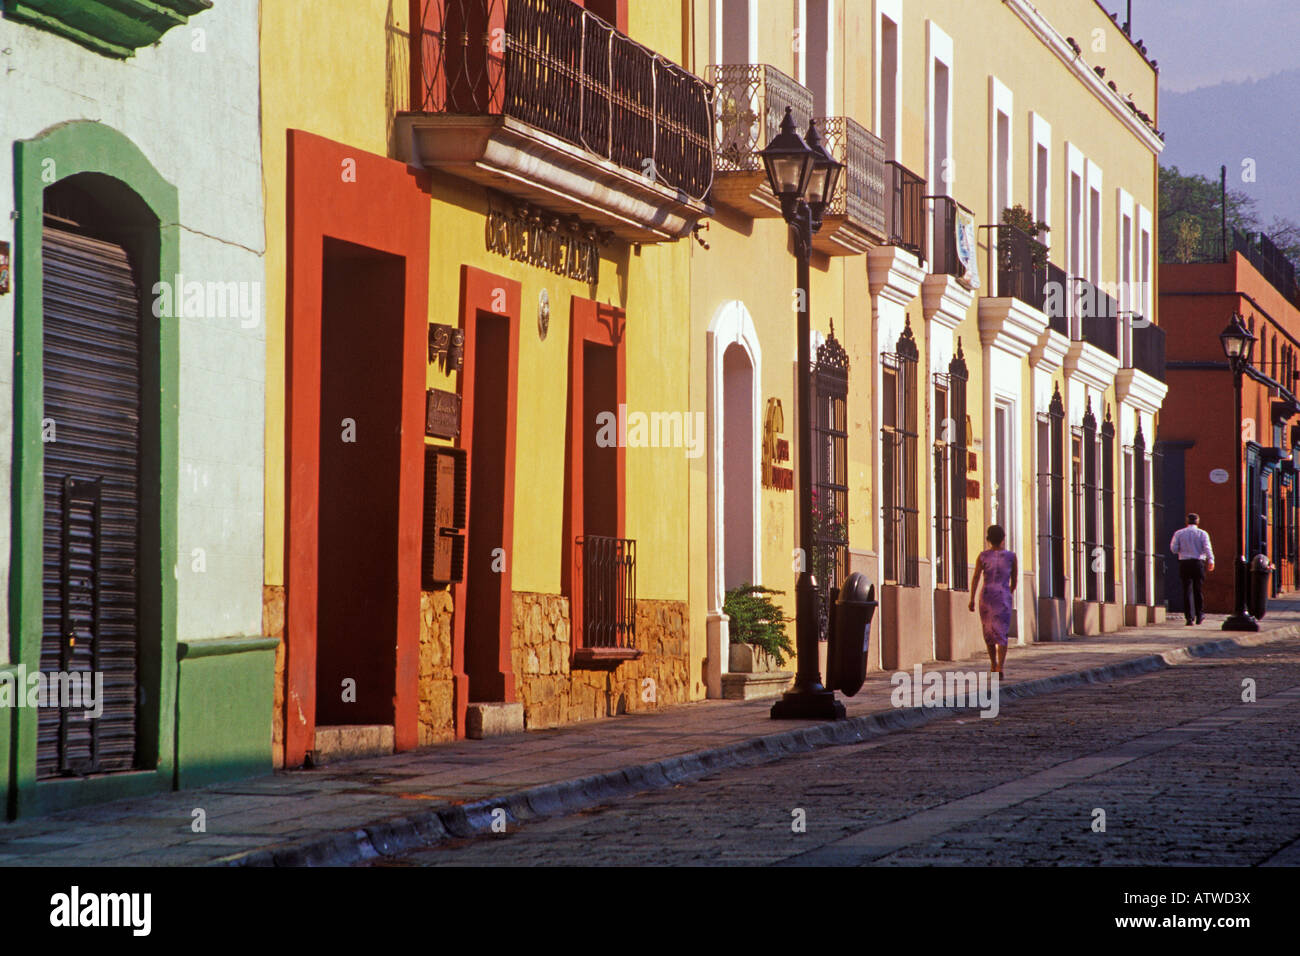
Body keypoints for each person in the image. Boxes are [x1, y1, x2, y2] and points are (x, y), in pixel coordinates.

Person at [968, 525, 1016, 677]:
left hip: (987, 596)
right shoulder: (1011, 556)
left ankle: (993, 663)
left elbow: (976, 577)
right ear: (1003, 538)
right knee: (1002, 631)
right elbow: (1014, 580)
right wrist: (1009, 592)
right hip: (1003, 595)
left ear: (988, 539)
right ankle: (1000, 666)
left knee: (988, 631)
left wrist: (972, 599)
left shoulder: (983, 556)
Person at [1170, 512, 1215, 625]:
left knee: (1187, 590)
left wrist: (1182, 548)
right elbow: (1207, 548)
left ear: (1187, 521)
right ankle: (1200, 615)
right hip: (1198, 562)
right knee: (1198, 589)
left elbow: (1174, 549)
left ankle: (1189, 618)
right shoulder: (1203, 534)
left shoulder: (1179, 533)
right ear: (1197, 522)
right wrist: (1211, 560)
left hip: (1184, 563)